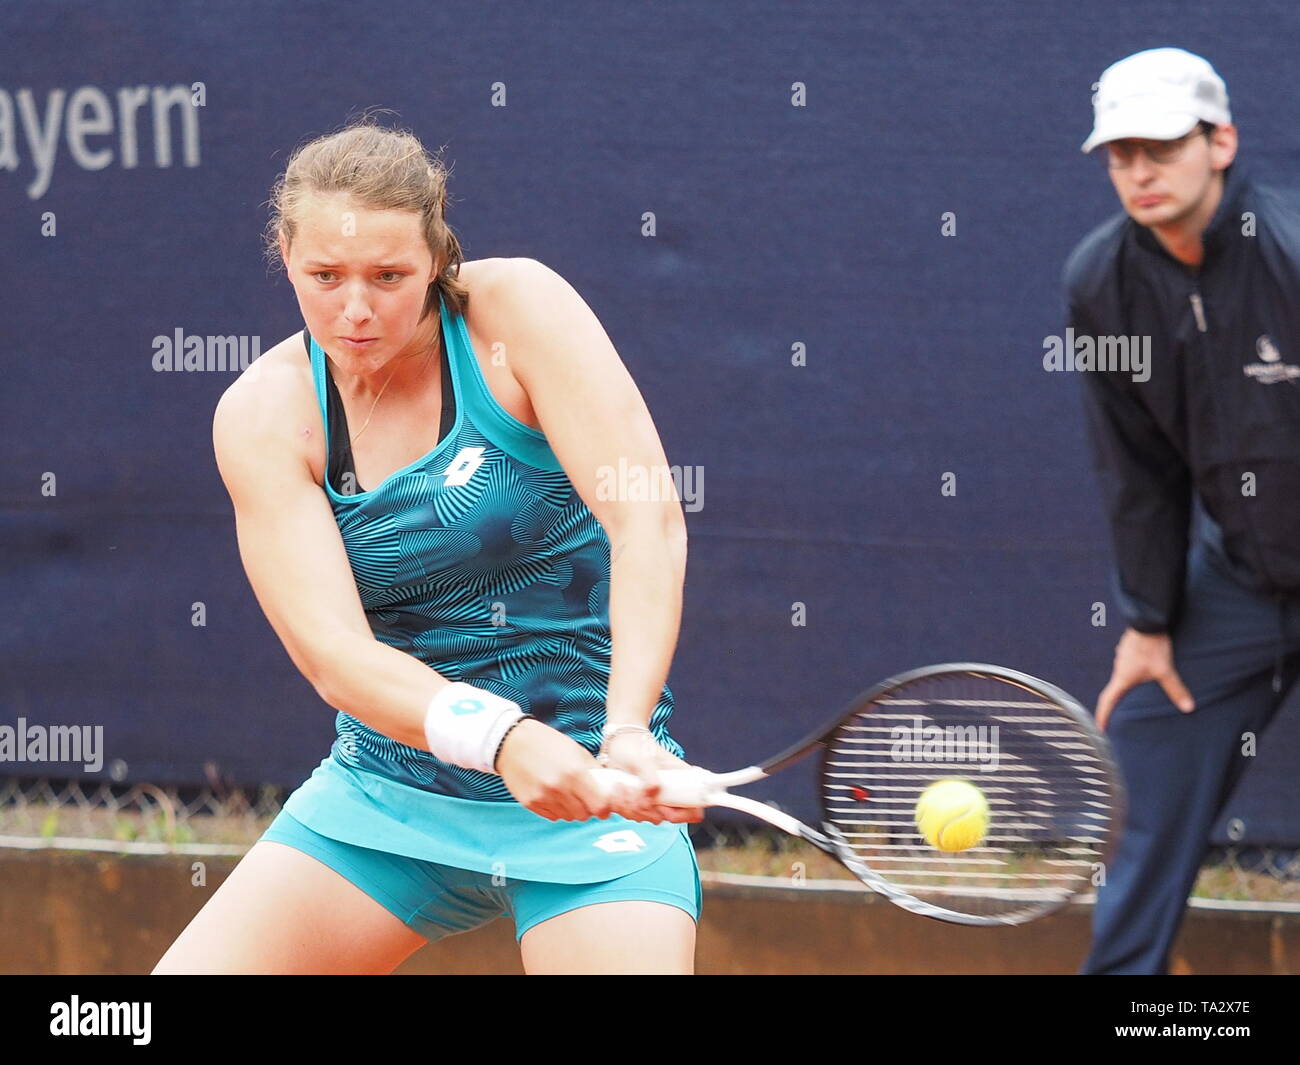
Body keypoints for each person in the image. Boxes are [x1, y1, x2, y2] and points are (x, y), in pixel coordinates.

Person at [153, 116, 705, 975]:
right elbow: (334, 655)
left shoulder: (518, 311)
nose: (357, 309)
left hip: (594, 796)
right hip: (387, 798)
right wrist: (503, 738)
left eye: (389, 275)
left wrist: (627, 728)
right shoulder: (264, 415)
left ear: (439, 255)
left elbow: (646, 519)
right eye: (325, 277)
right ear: (286, 258)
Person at [1063, 47, 1300, 974]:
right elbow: (1140, 469)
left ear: (1221, 141)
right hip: (1239, 583)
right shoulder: (1102, 283)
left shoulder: (1287, 254)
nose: (1140, 171)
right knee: (1145, 747)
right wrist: (1150, 622)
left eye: (1161, 146)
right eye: (1119, 153)